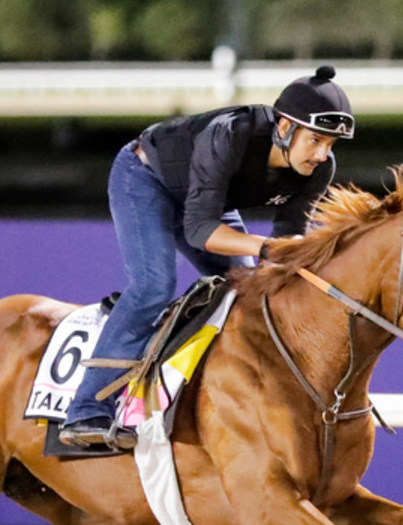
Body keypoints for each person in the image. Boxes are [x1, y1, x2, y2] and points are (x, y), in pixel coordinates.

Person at [59, 65, 355, 451]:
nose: (321, 154)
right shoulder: (230, 134)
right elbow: (201, 230)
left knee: (249, 295)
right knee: (154, 285)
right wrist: (264, 248)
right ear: (283, 128)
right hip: (146, 178)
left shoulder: (319, 170)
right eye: (315, 140)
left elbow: (287, 245)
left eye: (330, 144)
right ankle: (84, 411)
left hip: (207, 200)